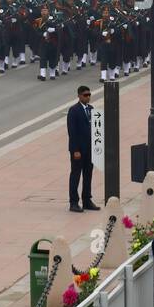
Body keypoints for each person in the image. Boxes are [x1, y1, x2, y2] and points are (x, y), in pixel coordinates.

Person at [66, 85, 99, 213]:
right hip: (78, 150)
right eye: (85, 95)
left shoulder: (91, 109)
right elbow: (72, 132)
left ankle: (87, 200)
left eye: (89, 95)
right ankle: (73, 202)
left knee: (88, 174)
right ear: (79, 96)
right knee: (75, 175)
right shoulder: (74, 110)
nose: (88, 97)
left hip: (89, 149)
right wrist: (75, 150)